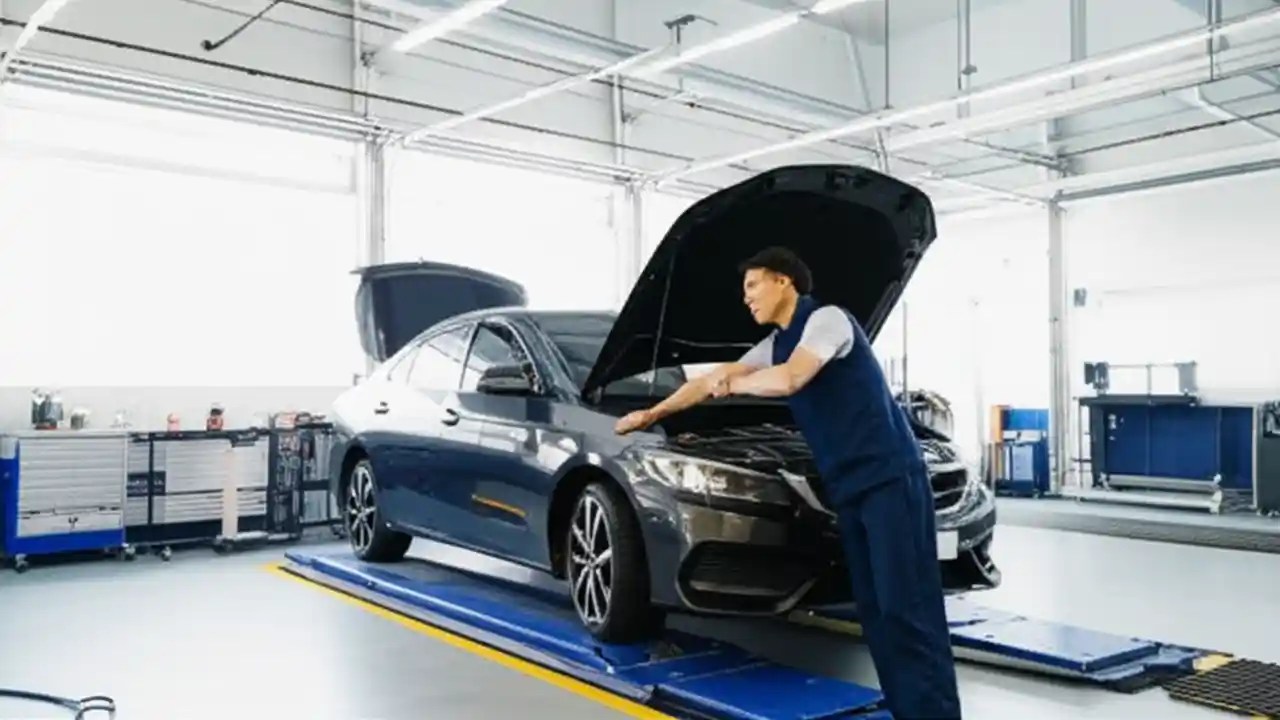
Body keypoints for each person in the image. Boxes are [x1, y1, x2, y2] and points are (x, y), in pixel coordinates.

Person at [615, 246, 961, 719]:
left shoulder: (829, 321)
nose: (746, 299)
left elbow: (792, 379)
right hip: (850, 488)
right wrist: (651, 413)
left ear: (784, 281)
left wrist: (733, 386)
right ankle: (908, 711)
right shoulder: (775, 345)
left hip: (889, 480)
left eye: (752, 285)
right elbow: (712, 379)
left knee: (907, 607)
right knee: (877, 612)